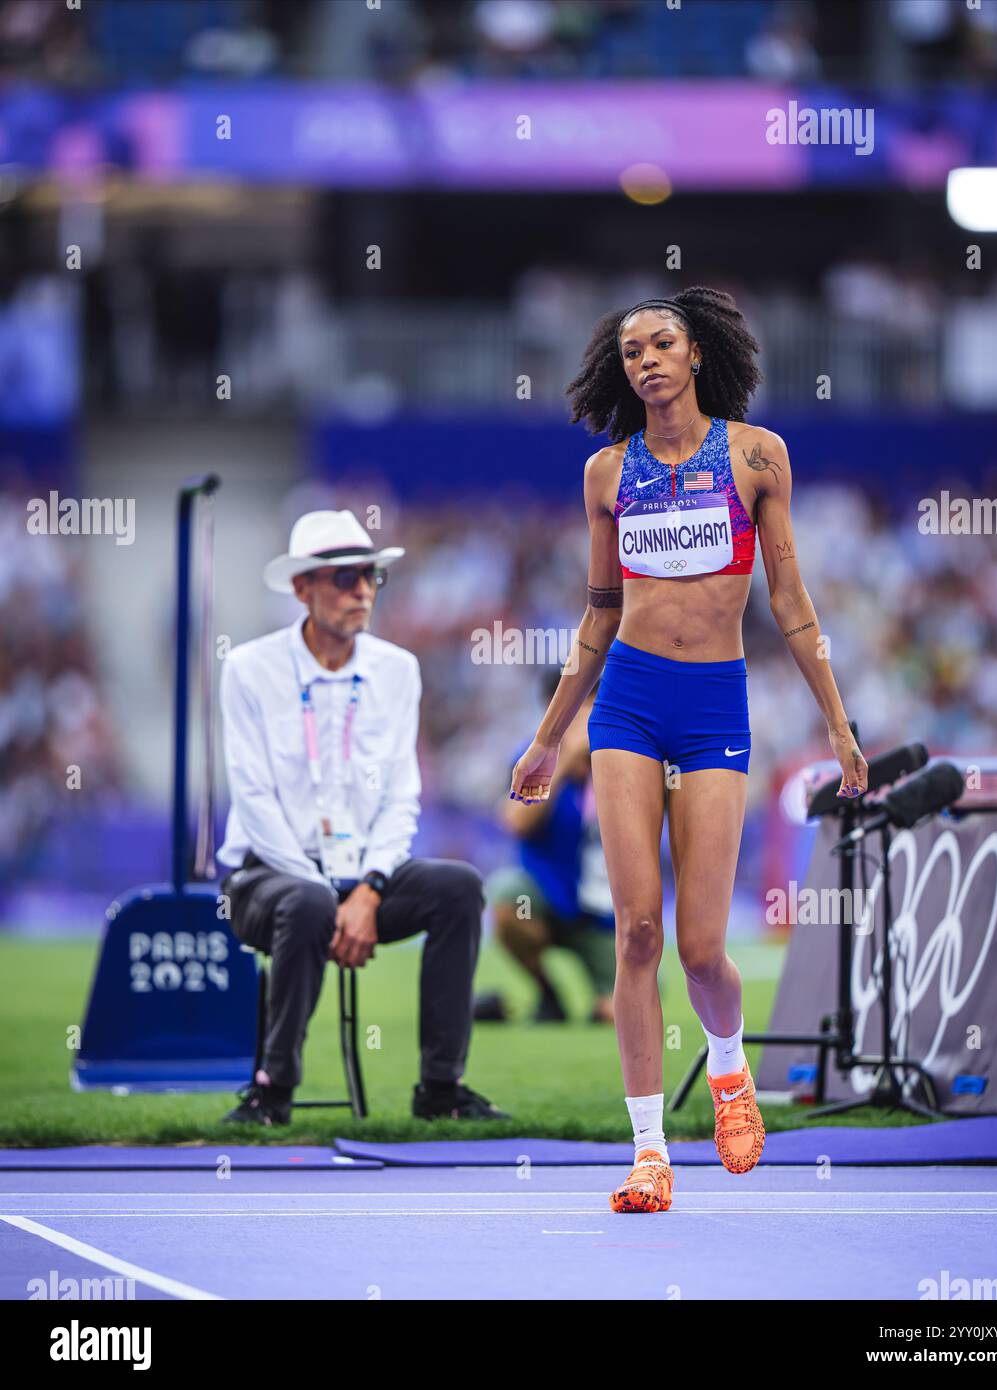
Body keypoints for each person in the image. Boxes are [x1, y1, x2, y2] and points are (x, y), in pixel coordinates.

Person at [510, 287, 868, 1212]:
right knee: (637, 932)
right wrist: (550, 737)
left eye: (662, 343)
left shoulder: (755, 455)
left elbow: (788, 604)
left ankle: (728, 1071)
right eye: (631, 352)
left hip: (714, 705)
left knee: (703, 948)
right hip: (626, 702)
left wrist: (838, 721)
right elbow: (596, 615)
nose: (646, 362)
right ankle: (647, 1154)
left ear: (696, 352)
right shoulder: (606, 473)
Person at [217, 508, 508, 1125]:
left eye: (372, 577)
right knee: (308, 903)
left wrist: (371, 889)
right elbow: (254, 800)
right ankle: (271, 1090)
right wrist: (331, 892)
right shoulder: (248, 669)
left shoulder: (397, 670)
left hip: (363, 880)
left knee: (458, 887)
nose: (363, 592)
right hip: (265, 878)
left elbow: (403, 793)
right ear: (302, 589)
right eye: (345, 578)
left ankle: (441, 1088)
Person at [476, 676, 616, 1025]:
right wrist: (566, 760)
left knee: (622, 1012)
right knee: (507, 900)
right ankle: (547, 993)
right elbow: (516, 822)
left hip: (603, 914)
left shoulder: (621, 759)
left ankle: (605, 995)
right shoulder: (534, 756)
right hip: (546, 898)